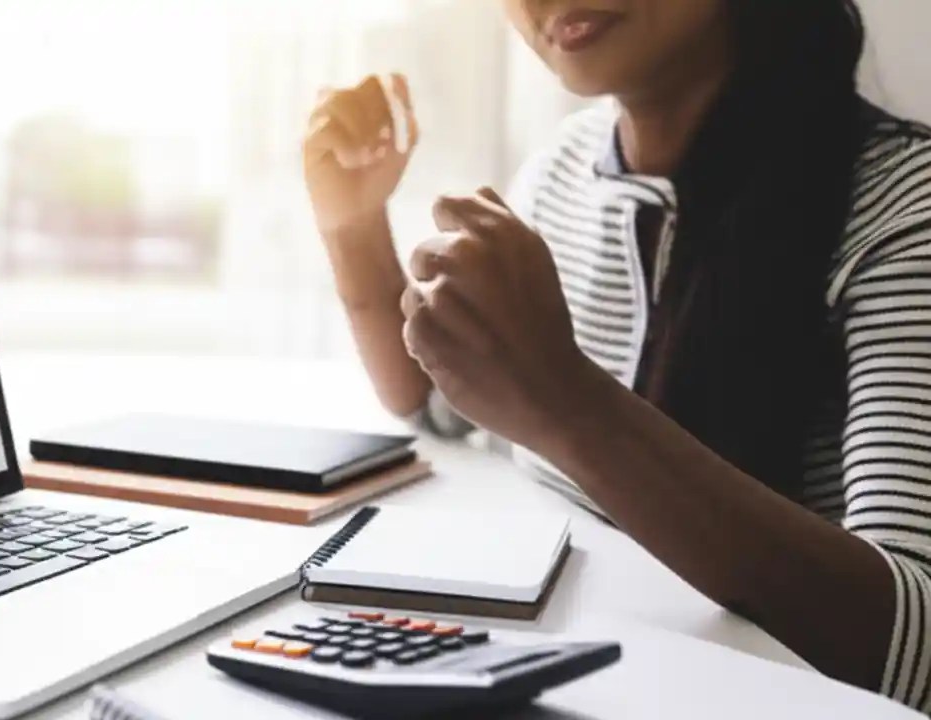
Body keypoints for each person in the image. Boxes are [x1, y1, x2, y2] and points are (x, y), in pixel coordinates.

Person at [304, 0, 931, 711]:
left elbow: (914, 643)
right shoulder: (561, 172)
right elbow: (442, 407)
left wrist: (566, 401)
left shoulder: (906, 207)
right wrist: (353, 226)